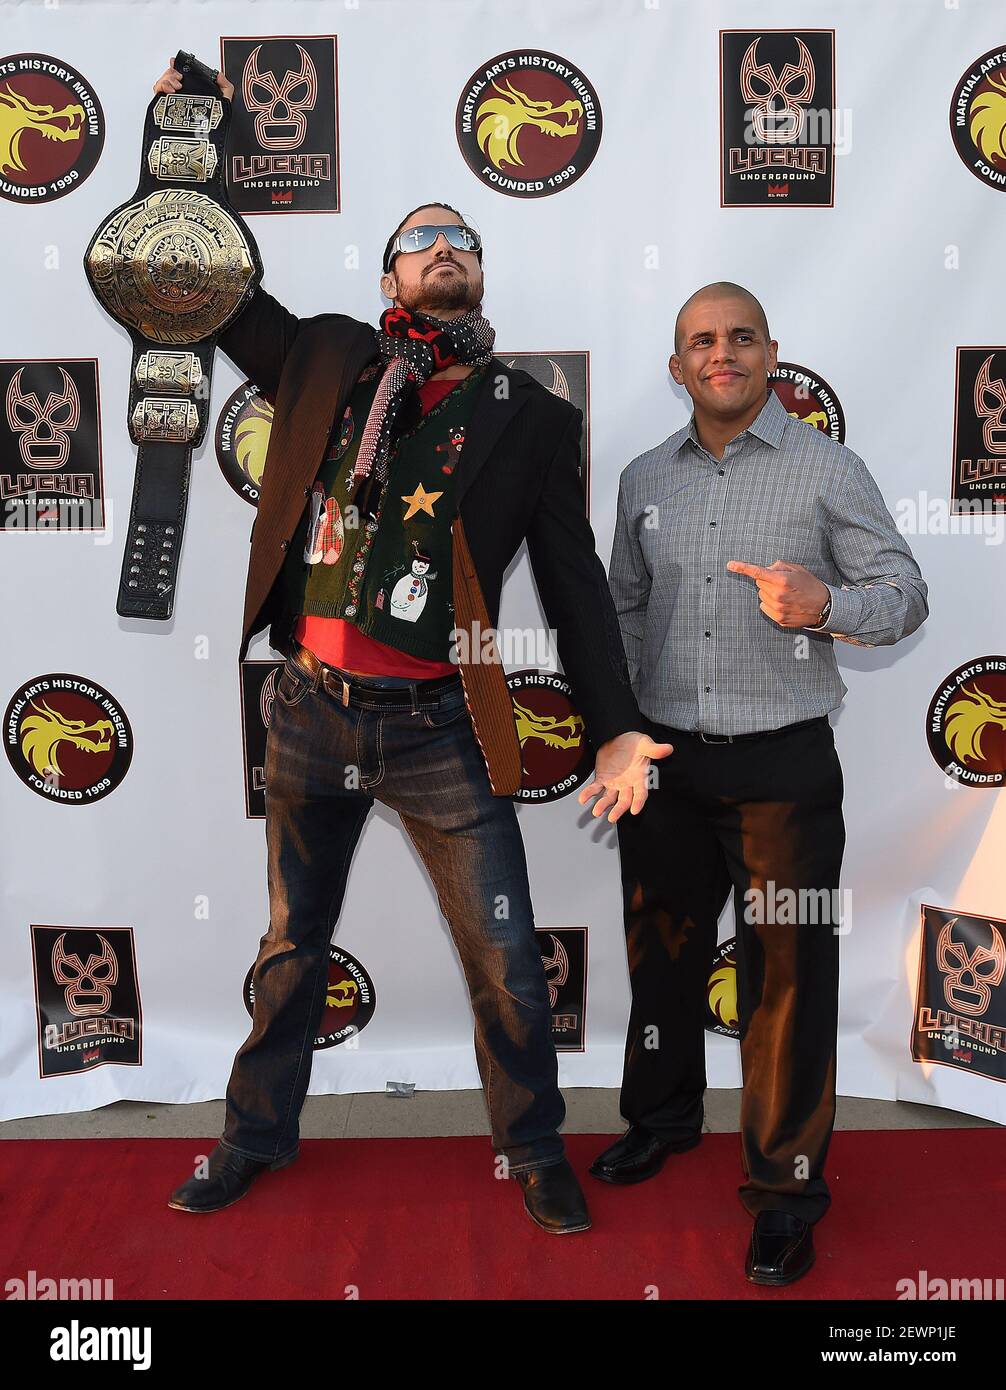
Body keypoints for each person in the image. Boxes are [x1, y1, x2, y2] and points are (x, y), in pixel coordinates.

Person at [156, 59, 671, 1234]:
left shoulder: (531, 416)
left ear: (479, 272)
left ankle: (533, 1149)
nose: (444, 250)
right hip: (308, 706)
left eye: (463, 241)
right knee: (291, 946)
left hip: (441, 723)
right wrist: (191, 136)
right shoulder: (325, 358)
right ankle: (252, 1137)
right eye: (420, 240)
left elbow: (577, 583)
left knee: (501, 955)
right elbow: (219, 286)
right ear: (387, 273)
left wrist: (619, 722)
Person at [585, 281, 928, 1282]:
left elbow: (903, 593)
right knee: (662, 953)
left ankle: (784, 1188)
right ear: (676, 365)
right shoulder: (647, 476)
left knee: (787, 976)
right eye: (700, 340)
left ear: (769, 354)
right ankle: (660, 1120)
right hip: (666, 761)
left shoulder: (828, 468)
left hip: (785, 769)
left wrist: (825, 602)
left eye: (738, 336)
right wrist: (620, 732)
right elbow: (623, 613)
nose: (720, 352)